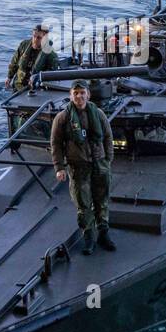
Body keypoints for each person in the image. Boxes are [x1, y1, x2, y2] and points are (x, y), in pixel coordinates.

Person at [50, 80, 116, 255]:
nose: (79, 96)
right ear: (71, 96)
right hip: (78, 167)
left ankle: (104, 232)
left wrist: (108, 158)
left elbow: (108, 137)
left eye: (82, 92)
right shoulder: (63, 118)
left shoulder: (98, 114)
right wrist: (59, 167)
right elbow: (56, 144)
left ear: (88, 94)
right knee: (83, 204)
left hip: (100, 163)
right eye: (75, 93)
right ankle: (89, 238)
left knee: (102, 200)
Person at [6, 24, 59, 91]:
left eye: (39, 38)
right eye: (34, 36)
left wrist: (37, 78)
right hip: (17, 85)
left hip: (35, 89)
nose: (35, 40)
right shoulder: (24, 45)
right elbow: (14, 62)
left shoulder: (51, 54)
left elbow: (52, 74)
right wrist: (9, 77)